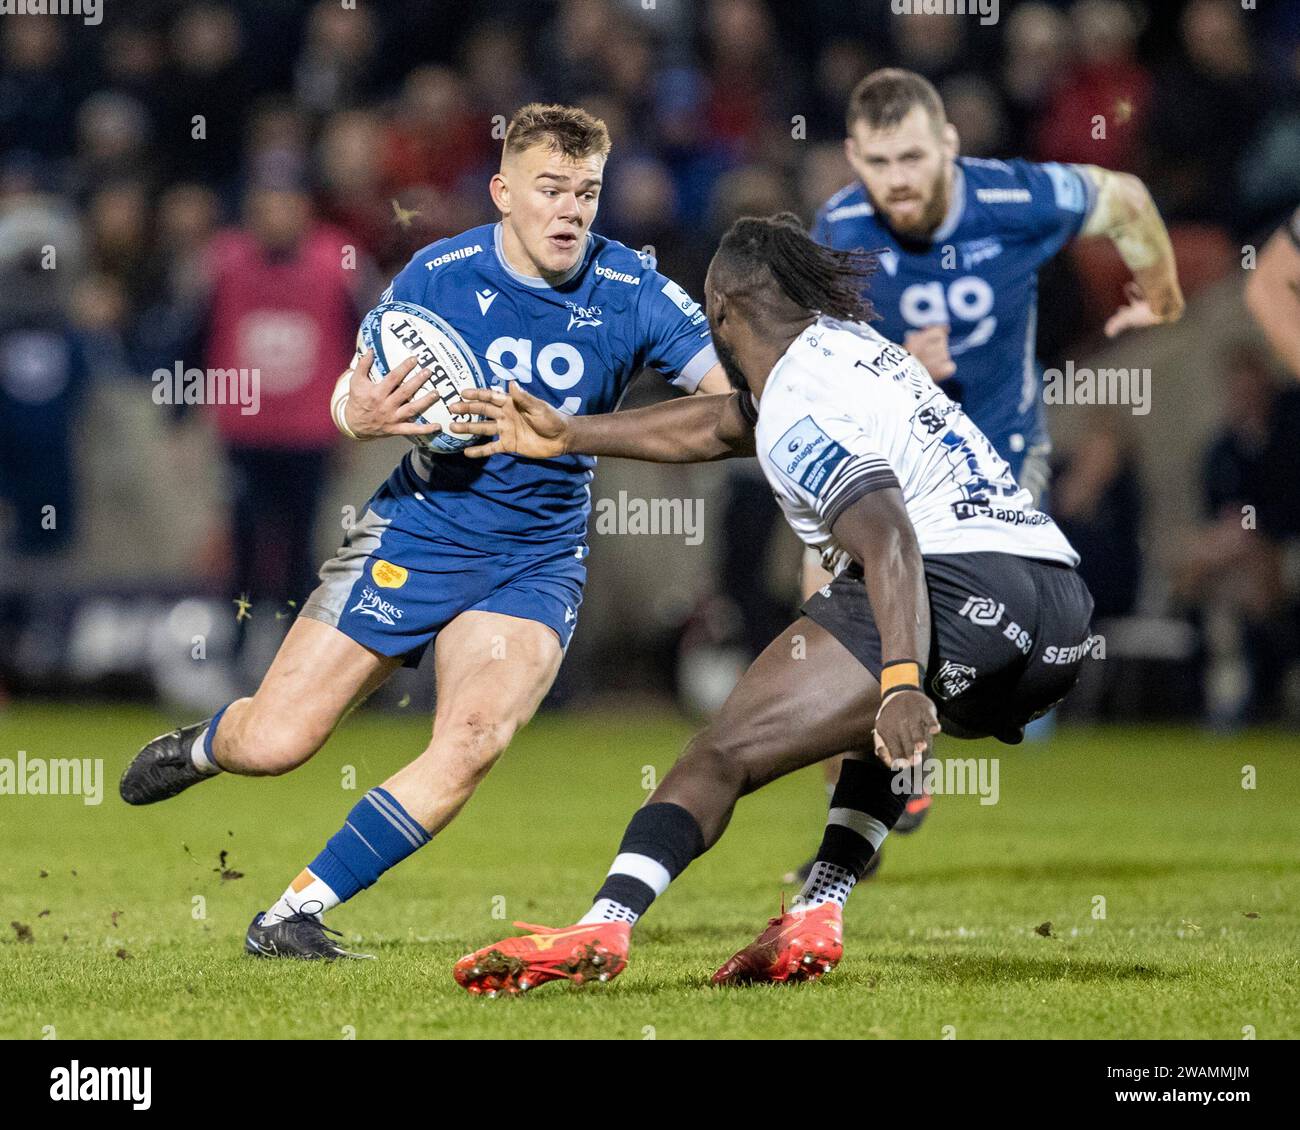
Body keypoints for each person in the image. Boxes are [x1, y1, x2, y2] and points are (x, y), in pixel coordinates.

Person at [119, 104, 728, 960]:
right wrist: (355, 413)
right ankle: (210, 745)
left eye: (587, 193)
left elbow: (728, 412)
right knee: (278, 742)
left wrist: (587, 432)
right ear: (502, 192)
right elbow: (352, 392)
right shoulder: (438, 273)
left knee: (473, 740)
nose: (571, 211)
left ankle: (291, 913)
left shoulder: (635, 291)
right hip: (415, 532)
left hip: (535, 560)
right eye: (549, 189)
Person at [448, 214, 1094, 994]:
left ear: (720, 311)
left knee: (719, 753)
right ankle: (817, 910)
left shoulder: (796, 402)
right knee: (859, 734)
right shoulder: (850, 348)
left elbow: (889, 535)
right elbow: (722, 425)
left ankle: (605, 925)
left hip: (957, 583)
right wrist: (571, 433)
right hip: (1060, 611)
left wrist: (899, 681)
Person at [794, 67, 1182, 873]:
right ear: (852, 157)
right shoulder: (838, 226)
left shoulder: (1014, 199)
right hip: (886, 456)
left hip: (995, 463)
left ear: (948, 144)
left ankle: (924, 737)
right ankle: (850, 839)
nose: (896, 181)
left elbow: (1127, 198)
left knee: (938, 629)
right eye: (879, 163)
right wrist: (897, 362)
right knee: (822, 630)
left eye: (911, 158)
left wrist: (1164, 291)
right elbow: (819, 361)